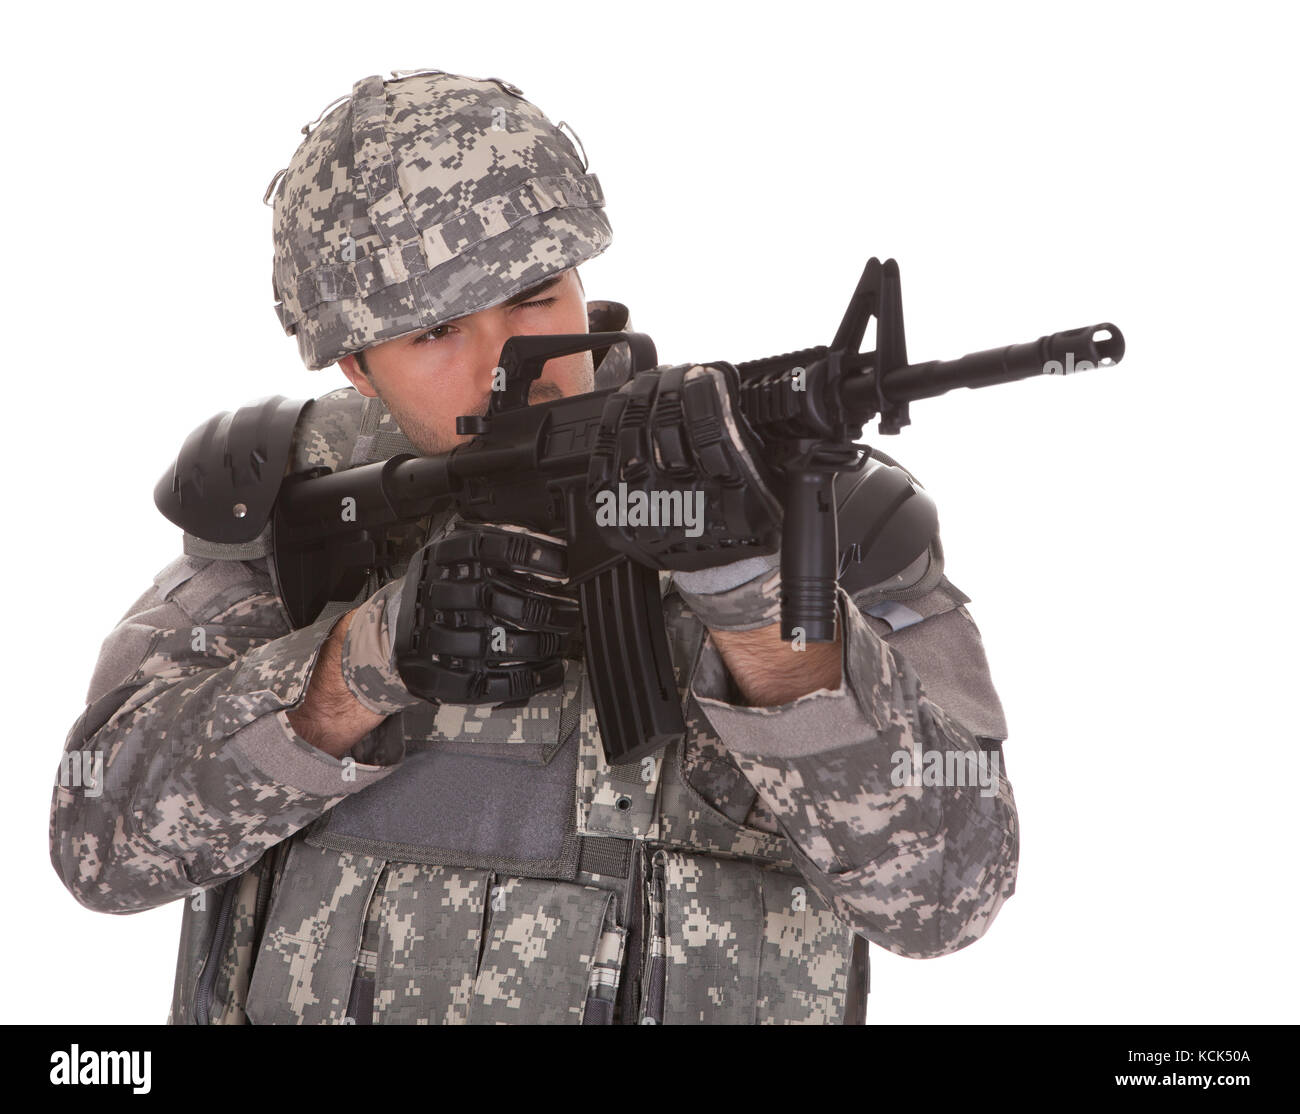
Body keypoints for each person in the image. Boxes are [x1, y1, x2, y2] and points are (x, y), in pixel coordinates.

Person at [50, 70, 1017, 1025]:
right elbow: (99, 843)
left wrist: (758, 604)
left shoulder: (823, 516)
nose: (504, 363)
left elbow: (949, 895)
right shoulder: (294, 507)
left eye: (532, 296)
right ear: (358, 364)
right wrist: (361, 665)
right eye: (435, 332)